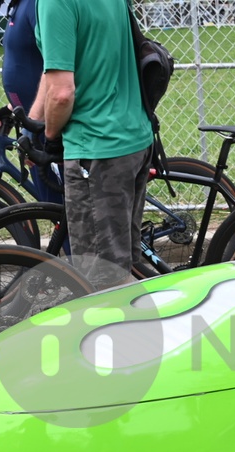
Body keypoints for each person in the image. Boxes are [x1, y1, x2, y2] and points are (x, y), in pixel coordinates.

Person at [31, 0, 154, 290]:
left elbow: (61, 93)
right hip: (133, 137)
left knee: (102, 279)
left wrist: (49, 136)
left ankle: (129, 334)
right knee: (120, 267)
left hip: (97, 146)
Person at [0, 0, 62, 205]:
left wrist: (33, 122)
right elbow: (25, 60)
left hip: (45, 119)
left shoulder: (39, 4)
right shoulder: (19, 4)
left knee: (61, 204)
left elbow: (56, 63)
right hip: (31, 117)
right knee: (50, 203)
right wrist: (12, 108)